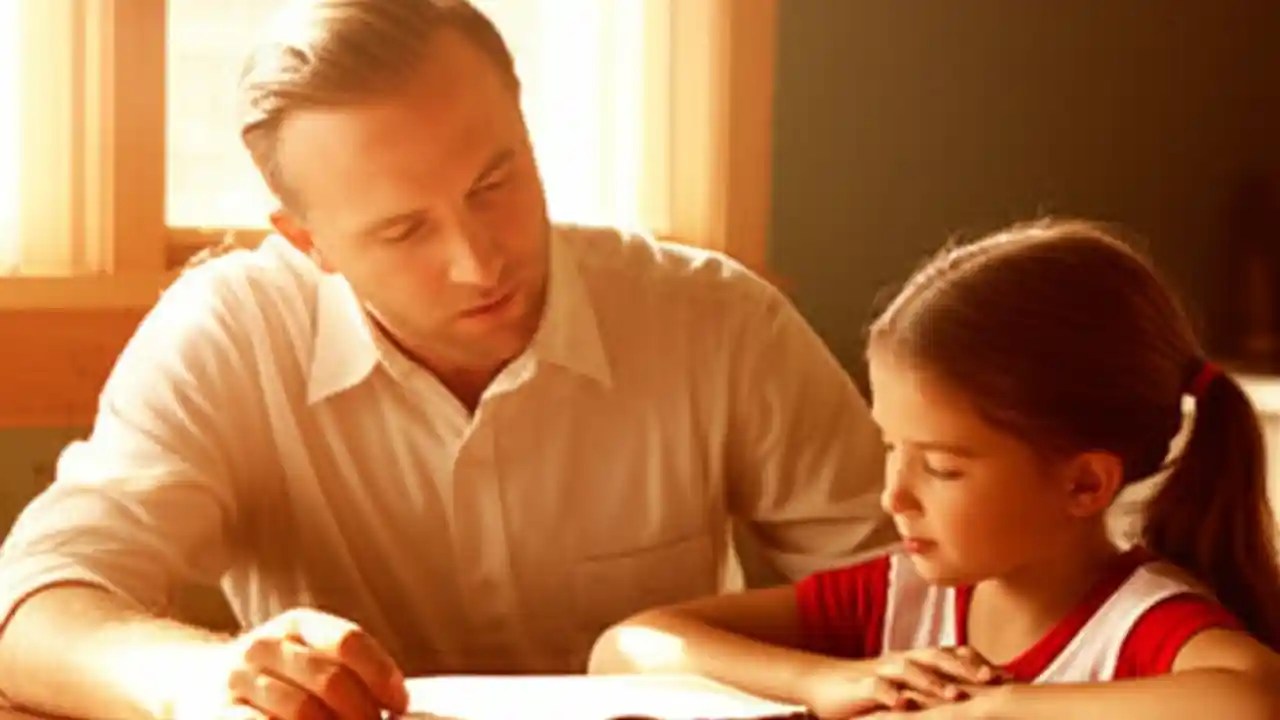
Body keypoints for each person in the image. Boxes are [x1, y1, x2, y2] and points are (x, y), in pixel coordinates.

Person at [0, 2, 895, 719]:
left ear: (530, 139)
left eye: (493, 185)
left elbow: (921, 590)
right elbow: (33, 610)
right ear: (310, 242)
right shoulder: (230, 333)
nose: (480, 261)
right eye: (402, 229)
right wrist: (206, 682)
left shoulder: (716, 318)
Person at [589, 219, 1280, 719]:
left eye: (943, 469)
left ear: (1083, 484)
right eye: (892, 447)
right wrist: (825, 682)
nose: (895, 496)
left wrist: (997, 711)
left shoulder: (1138, 625)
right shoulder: (901, 600)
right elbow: (631, 645)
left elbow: (1254, 697)